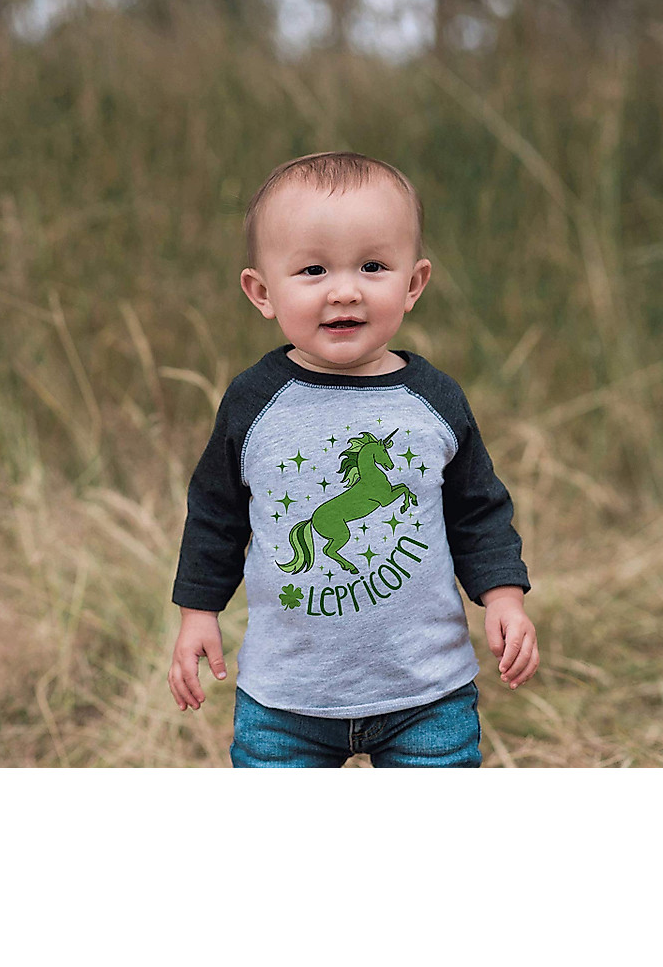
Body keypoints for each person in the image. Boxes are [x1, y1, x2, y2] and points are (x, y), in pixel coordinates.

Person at [168, 151, 538, 767]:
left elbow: (478, 510)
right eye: (313, 270)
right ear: (262, 292)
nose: (345, 291)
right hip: (285, 699)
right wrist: (197, 612)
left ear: (413, 284)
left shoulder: (434, 400)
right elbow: (215, 515)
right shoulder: (253, 403)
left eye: (373, 266)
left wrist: (503, 596)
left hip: (426, 691)